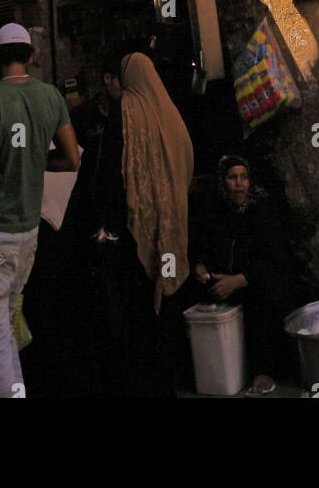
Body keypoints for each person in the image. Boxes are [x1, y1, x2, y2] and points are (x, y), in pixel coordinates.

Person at [0, 23, 79, 399]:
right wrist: (31, 162)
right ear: (30, 57)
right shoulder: (51, 97)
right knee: (7, 327)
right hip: (29, 235)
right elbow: (71, 159)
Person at [84, 48, 193, 397]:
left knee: (136, 318)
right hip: (174, 229)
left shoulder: (126, 113)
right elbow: (188, 162)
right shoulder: (172, 114)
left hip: (134, 236)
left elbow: (112, 178)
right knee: (166, 315)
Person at [189, 154, 296, 395]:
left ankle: (264, 369)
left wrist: (240, 279)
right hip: (222, 280)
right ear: (223, 183)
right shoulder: (214, 212)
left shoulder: (262, 210)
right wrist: (200, 268)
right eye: (232, 178)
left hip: (254, 280)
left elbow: (277, 257)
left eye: (244, 177)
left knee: (269, 294)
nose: (239, 183)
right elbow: (200, 247)